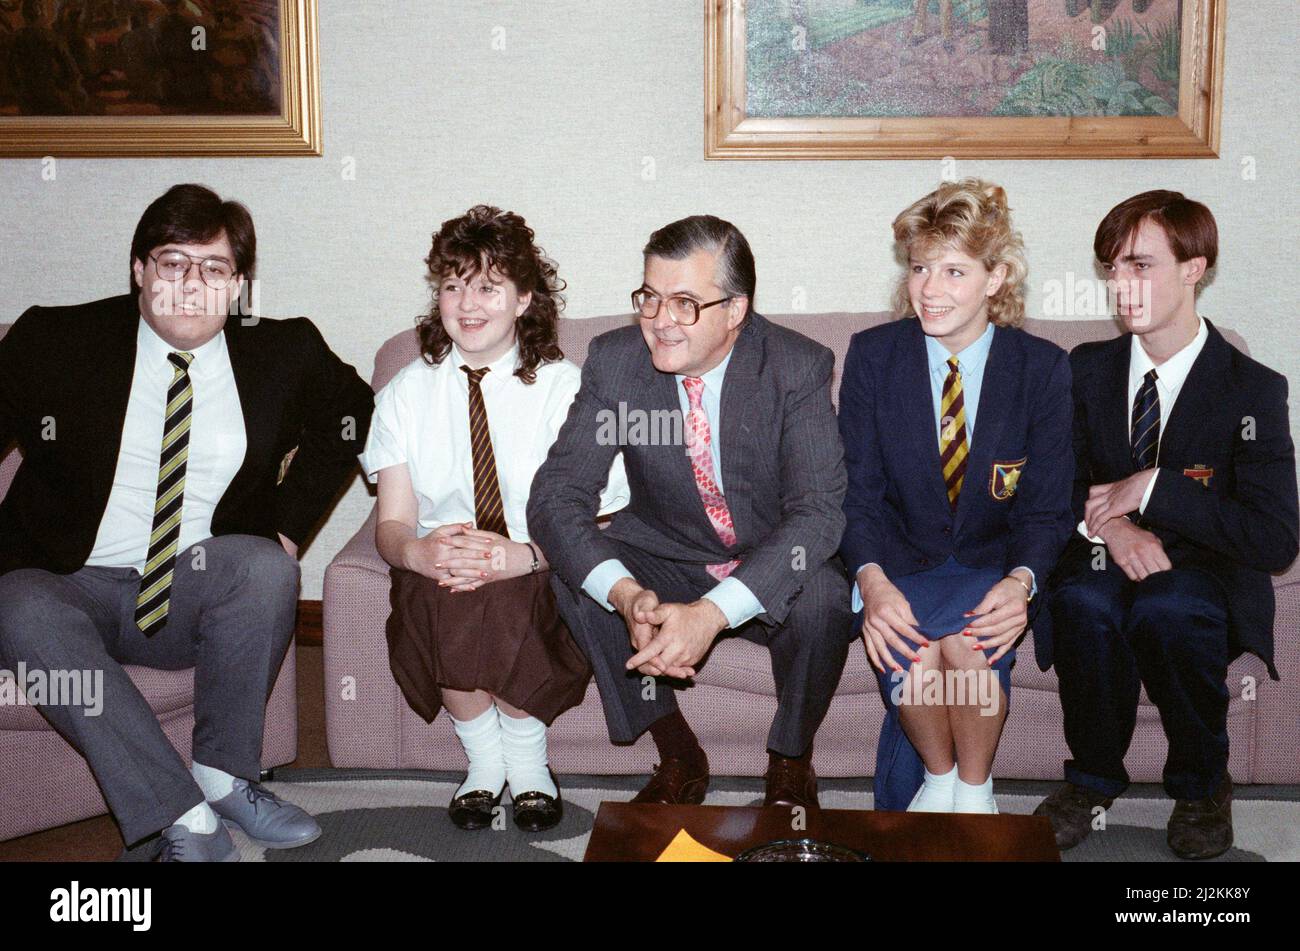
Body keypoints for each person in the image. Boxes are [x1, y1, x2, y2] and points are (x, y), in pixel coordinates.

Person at [0, 183, 375, 861]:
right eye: (173, 263)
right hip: (67, 582)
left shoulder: (281, 350)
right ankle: (183, 816)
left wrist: (289, 525)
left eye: (214, 268)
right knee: (18, 604)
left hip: (190, 584)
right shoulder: (55, 340)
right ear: (139, 270)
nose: (192, 286)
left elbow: (352, 414)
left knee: (265, 567)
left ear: (238, 285)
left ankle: (225, 778)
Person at [527, 215, 853, 809]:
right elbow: (558, 495)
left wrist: (711, 615)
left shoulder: (796, 367)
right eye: (649, 298)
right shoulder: (616, 362)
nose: (659, 321)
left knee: (825, 596)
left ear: (735, 311)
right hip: (668, 552)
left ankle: (790, 762)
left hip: (767, 554)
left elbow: (818, 513)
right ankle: (678, 753)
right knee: (577, 573)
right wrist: (626, 594)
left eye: (684, 303)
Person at [1034, 190, 1298, 859]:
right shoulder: (1083, 369)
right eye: (1113, 268)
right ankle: (1090, 781)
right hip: (1100, 558)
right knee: (1084, 599)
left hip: (1203, 572)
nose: (1122, 285)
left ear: (1193, 268)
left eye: (1141, 265)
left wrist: (1155, 487)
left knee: (1168, 606)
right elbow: (1050, 486)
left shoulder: (1252, 388)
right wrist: (1114, 528)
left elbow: (1274, 537)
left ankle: (1202, 787)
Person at [360, 206, 629, 833]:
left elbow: (605, 519)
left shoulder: (567, 390)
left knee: (508, 596)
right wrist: (419, 553)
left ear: (523, 298)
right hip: (445, 564)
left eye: (488, 286)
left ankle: (527, 766)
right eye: (453, 285)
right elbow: (392, 524)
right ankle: (485, 764)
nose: (468, 304)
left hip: (542, 557)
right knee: (449, 590)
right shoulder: (405, 392)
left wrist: (526, 556)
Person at [839, 179, 1074, 814]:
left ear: (996, 277)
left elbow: (1048, 506)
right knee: (911, 648)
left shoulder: (1042, 368)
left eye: (953, 271)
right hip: (898, 559)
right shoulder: (873, 356)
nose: (930, 289)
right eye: (920, 268)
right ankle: (939, 779)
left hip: (992, 561)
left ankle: (974, 791)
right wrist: (871, 582)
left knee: (971, 645)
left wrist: (1022, 582)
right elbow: (856, 492)